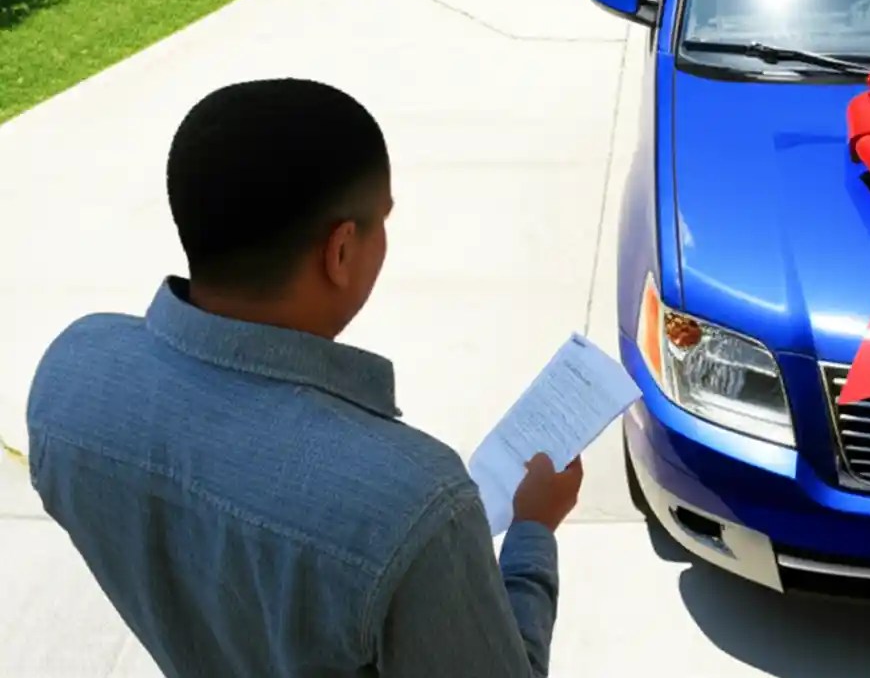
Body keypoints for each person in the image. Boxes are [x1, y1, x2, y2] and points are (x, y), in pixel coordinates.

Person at [26, 78, 583, 677]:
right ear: (340, 252)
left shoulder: (68, 379)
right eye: (382, 220)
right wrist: (532, 530)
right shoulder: (414, 506)